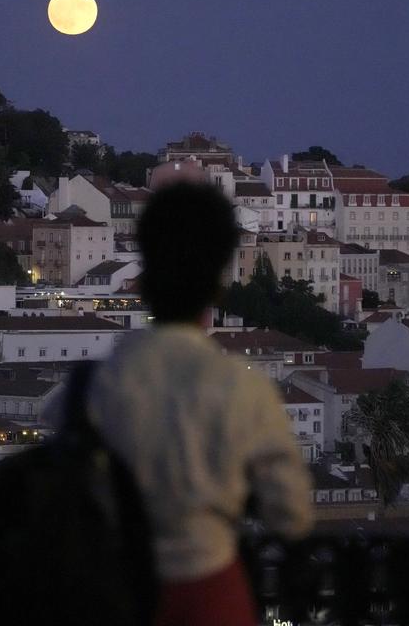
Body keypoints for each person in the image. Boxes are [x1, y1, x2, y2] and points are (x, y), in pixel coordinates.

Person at [81, 182, 314, 626]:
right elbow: (292, 515)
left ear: (144, 279)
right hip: (210, 594)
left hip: (112, 595)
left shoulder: (93, 385)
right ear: (217, 287)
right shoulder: (241, 389)